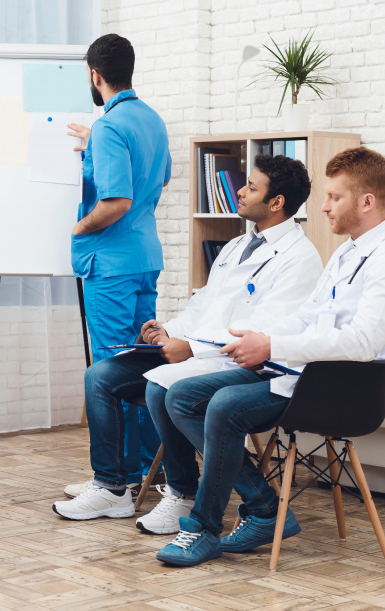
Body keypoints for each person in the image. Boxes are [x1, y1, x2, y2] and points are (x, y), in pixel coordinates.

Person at [154, 146, 385, 567]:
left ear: (367, 201)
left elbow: (362, 343)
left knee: (223, 405)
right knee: (181, 396)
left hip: (344, 390)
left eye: (334, 197)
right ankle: (265, 508)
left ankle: (204, 529)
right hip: (302, 373)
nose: (324, 206)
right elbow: (307, 317)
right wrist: (261, 338)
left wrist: (273, 347)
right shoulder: (348, 251)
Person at [55, 154, 323, 529]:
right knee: (101, 376)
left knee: (162, 387)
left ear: (277, 202)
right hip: (199, 352)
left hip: (240, 363)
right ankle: (112, 487)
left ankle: (182, 494)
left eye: (251, 187)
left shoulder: (300, 259)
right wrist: (168, 331)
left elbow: (262, 329)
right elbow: (202, 305)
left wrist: (191, 348)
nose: (240, 192)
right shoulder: (237, 245)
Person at [68, 34, 172, 497]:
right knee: (142, 366)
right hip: (144, 257)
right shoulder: (151, 120)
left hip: (111, 264)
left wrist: (80, 228)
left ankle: (116, 479)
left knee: (111, 372)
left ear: (95, 75)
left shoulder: (109, 126)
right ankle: (149, 470)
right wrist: (97, 146)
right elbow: (158, 179)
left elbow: (116, 202)